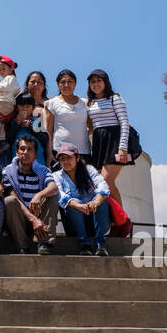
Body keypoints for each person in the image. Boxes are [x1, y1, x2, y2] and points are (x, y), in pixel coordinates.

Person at [2, 134, 59, 255]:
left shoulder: (43, 170)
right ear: (17, 152)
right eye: (22, 149)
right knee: (9, 201)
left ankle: (44, 242)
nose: (25, 152)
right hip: (19, 220)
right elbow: (13, 196)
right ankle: (22, 246)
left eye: (30, 149)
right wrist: (32, 219)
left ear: (35, 154)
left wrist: (39, 195)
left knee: (52, 197)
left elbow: (54, 187)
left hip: (40, 219)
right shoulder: (8, 171)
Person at [86, 69, 134, 207]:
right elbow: (91, 126)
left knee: (106, 181)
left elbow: (124, 122)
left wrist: (122, 148)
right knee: (100, 184)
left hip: (114, 143)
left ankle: (123, 220)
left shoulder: (115, 98)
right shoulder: (90, 103)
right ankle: (114, 218)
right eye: (92, 81)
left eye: (99, 80)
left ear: (105, 82)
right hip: (99, 144)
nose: (96, 84)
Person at [53, 143, 111, 255]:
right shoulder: (57, 176)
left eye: (69, 157)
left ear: (78, 158)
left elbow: (102, 185)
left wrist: (96, 201)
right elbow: (59, 194)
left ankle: (100, 244)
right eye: (62, 159)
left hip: (94, 220)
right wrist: (78, 206)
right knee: (73, 203)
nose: (65, 162)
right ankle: (84, 245)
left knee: (101, 200)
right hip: (74, 224)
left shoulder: (89, 170)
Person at [45, 70, 91, 165]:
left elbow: (92, 129)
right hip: (60, 151)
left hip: (83, 151)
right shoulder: (51, 103)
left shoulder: (85, 103)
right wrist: (49, 153)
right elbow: (48, 131)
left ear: (75, 84)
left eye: (70, 82)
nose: (66, 85)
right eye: (62, 82)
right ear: (58, 84)